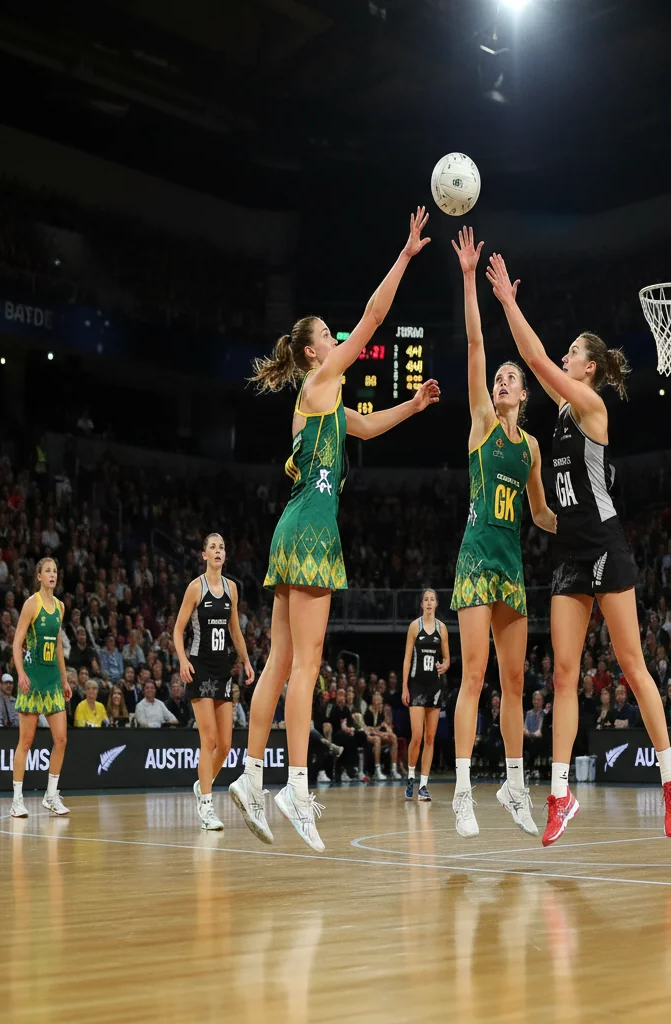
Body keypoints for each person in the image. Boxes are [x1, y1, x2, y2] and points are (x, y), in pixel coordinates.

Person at [226, 209, 439, 850]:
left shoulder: (323, 404)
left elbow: (369, 428)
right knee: (306, 664)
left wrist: (416, 404)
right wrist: (403, 256)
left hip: (293, 525)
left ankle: (248, 774)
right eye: (329, 332)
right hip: (313, 530)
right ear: (316, 350)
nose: (338, 335)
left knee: (281, 663)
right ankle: (293, 784)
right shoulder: (319, 379)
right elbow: (373, 319)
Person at [486, 250, 671, 845]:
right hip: (570, 549)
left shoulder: (593, 408)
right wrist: (537, 520)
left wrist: (507, 302)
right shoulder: (557, 420)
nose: (565, 356)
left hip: (606, 544)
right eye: (567, 351)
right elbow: (550, 509)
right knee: (565, 674)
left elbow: (533, 358)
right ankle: (559, 793)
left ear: (591, 367)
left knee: (631, 663)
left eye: (574, 351)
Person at [448, 227, 556, 841]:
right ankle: (462, 790)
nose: (502, 381)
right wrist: (470, 279)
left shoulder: (532, 447)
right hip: (474, 559)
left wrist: (577, 524)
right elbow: (474, 342)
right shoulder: (483, 425)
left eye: (511, 378)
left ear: (524, 393)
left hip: (512, 565)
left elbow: (540, 515)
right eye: (500, 377)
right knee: (472, 677)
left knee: (514, 682)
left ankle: (515, 784)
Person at [174, 533, 255, 830]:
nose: (218, 551)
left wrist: (245, 660)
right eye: (213, 547)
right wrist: (183, 660)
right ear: (204, 555)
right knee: (207, 740)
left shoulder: (232, 588)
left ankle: (202, 784)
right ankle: (207, 806)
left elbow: (235, 630)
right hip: (200, 669)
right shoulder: (196, 588)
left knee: (225, 746)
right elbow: (178, 629)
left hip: (223, 671)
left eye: (222, 547)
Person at [10, 558, 72, 817]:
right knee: (26, 741)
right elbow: (16, 643)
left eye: (55, 571)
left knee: (61, 739)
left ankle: (51, 795)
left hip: (52, 681)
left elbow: (58, 644)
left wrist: (65, 678)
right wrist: (21, 673)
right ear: (38, 576)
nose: (52, 575)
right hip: (32, 680)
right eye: (47, 571)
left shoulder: (59, 606)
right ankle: (16, 800)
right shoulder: (31, 604)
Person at [402, 588, 450, 801]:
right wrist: (404, 687)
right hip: (416, 686)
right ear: (421, 604)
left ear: (436, 604)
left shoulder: (442, 628)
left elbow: (447, 658)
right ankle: (411, 775)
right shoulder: (414, 626)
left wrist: (445, 665)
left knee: (430, 738)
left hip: (435, 687)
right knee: (417, 736)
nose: (429, 603)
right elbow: (406, 659)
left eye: (432, 600)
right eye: (426, 600)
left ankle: (423, 785)